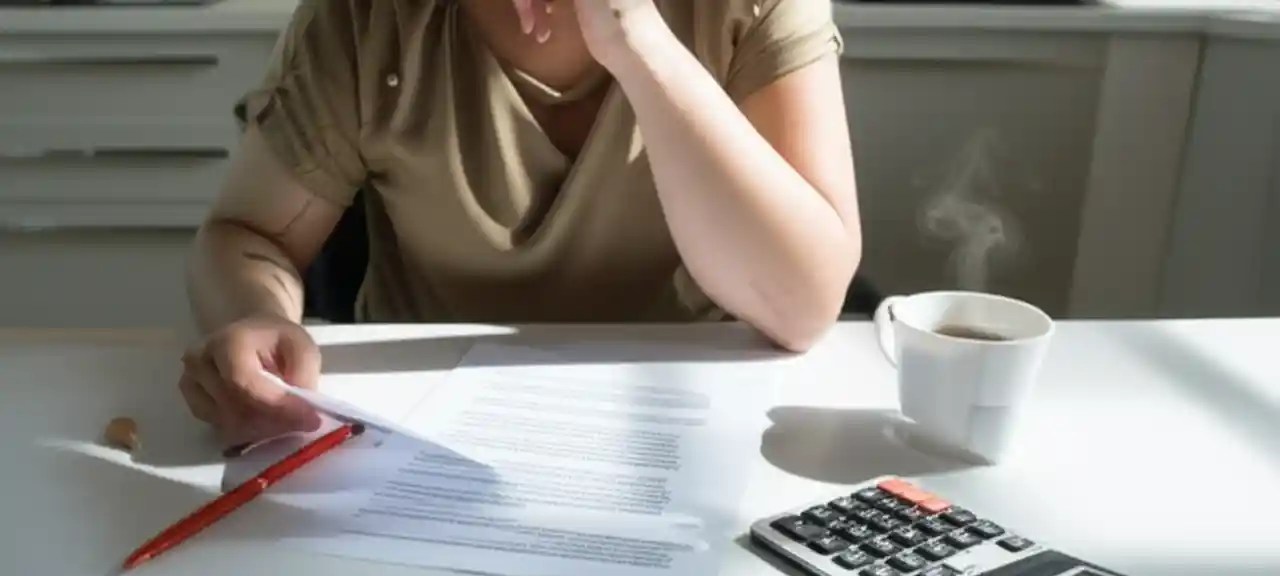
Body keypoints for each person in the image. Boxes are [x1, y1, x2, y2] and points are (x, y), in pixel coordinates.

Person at [180, 0, 863, 445]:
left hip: (689, 419)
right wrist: (255, 316)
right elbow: (249, 236)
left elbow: (801, 307)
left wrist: (637, 41)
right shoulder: (364, 20)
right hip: (421, 433)